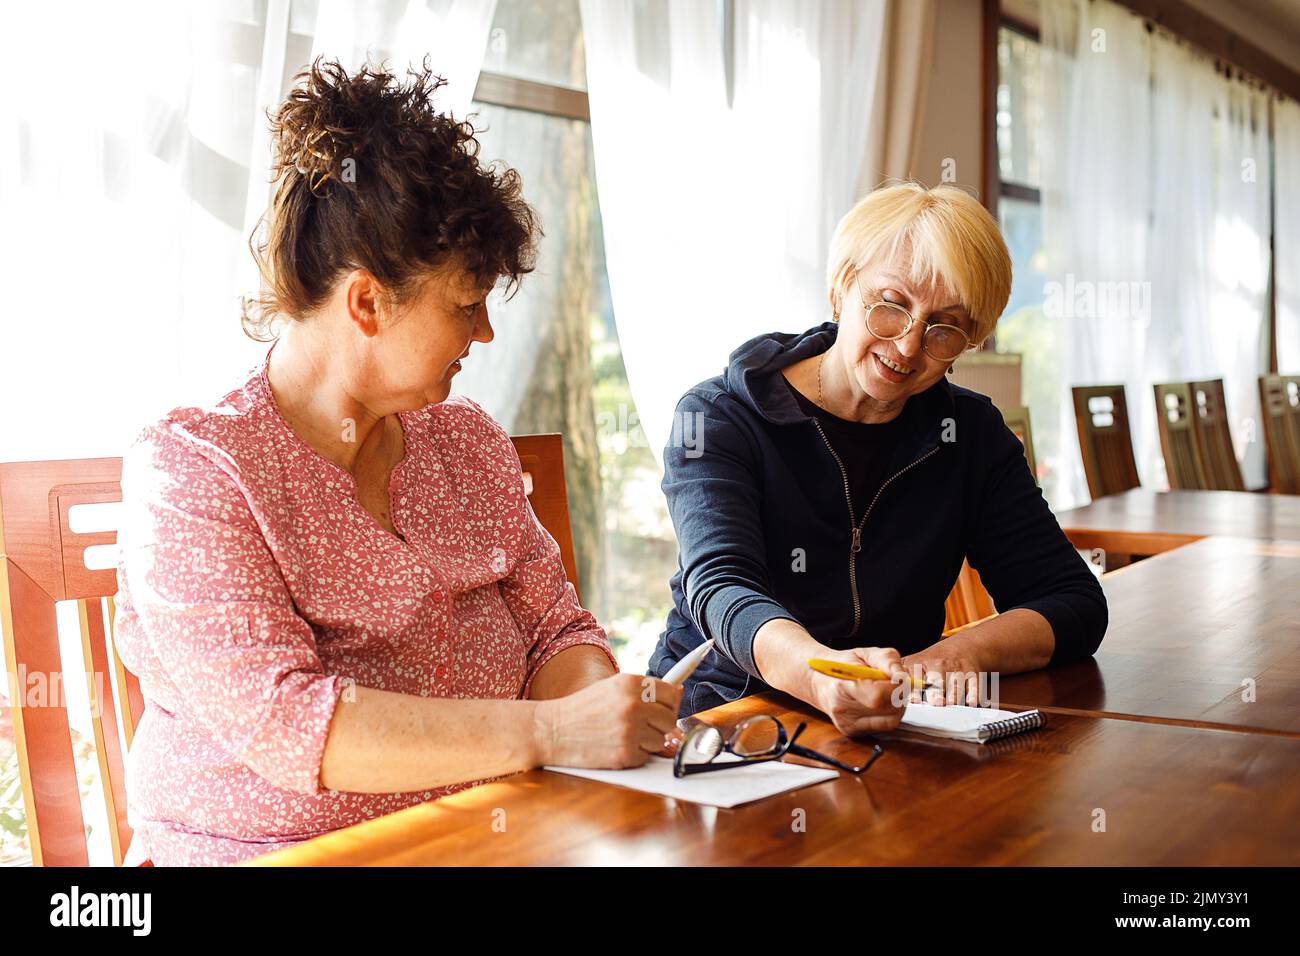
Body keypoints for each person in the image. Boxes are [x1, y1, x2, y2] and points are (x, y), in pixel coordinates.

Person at [114, 59, 680, 866]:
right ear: (368, 302)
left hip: (490, 839)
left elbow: (557, 633)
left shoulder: (466, 441)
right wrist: (554, 732)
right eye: (464, 305)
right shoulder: (195, 474)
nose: (484, 335)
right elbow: (290, 725)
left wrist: (604, 709)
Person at [648, 182, 1107, 732]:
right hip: (725, 719)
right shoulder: (719, 416)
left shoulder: (970, 435)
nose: (909, 346)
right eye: (891, 305)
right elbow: (722, 585)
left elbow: (1073, 600)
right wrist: (820, 676)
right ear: (843, 288)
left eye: (945, 328)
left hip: (890, 724)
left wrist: (951, 657)